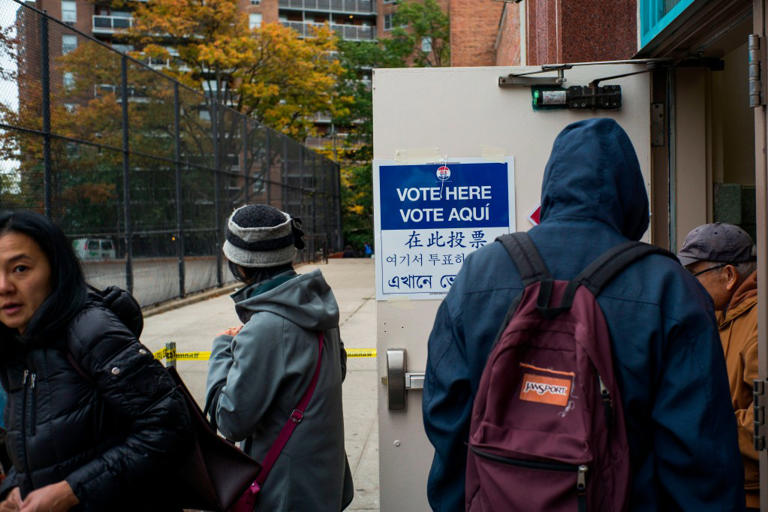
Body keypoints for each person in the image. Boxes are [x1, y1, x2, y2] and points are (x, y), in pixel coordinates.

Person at [422, 118, 744, 511]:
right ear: (630, 194)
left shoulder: (478, 273)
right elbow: (700, 451)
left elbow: (445, 415)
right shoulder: (670, 288)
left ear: (551, 186)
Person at [0, 210, 192, 512]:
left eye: (20, 268)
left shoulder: (91, 331)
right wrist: (15, 487)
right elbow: (44, 440)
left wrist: (70, 492)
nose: (4, 286)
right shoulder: (19, 346)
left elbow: (169, 426)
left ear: (56, 268)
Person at [205, 204, 353, 511]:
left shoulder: (264, 329)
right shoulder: (318, 306)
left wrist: (222, 349)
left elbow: (231, 421)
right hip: (324, 482)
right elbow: (336, 372)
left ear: (240, 265)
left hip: (284, 494)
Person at [678, 223, 759, 510]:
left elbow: (759, 426)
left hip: (750, 495)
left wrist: (690, 429)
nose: (684, 285)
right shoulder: (714, 317)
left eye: (692, 276)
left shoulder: (758, 324)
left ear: (728, 276)